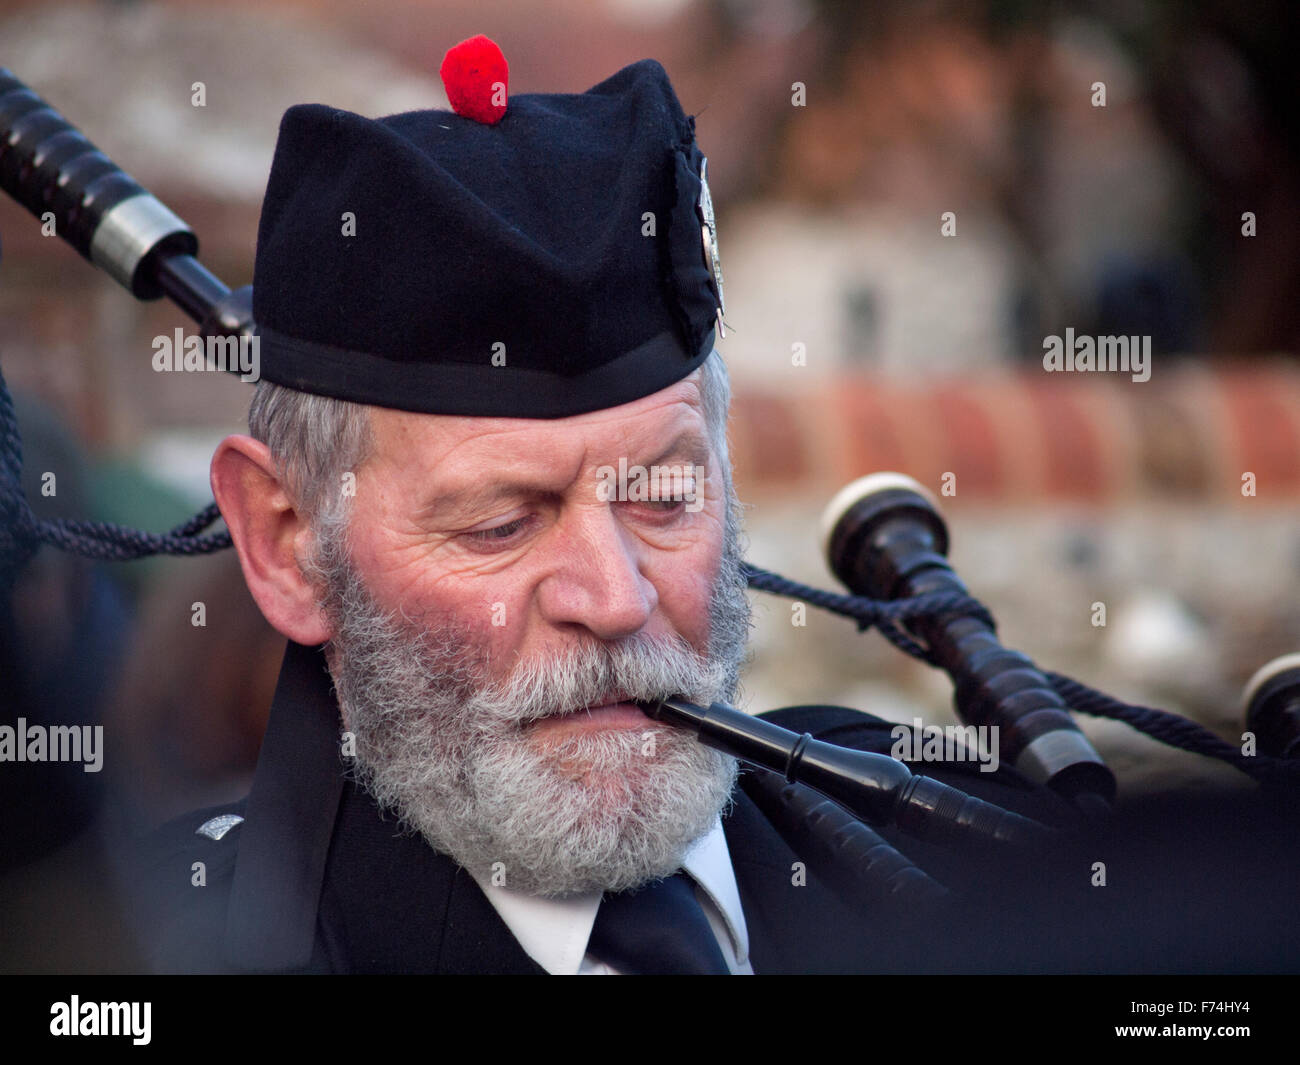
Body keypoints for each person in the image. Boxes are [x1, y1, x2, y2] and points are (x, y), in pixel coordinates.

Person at [130, 36, 1060, 975]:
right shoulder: (149, 954)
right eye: (500, 523)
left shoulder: (972, 852)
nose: (616, 598)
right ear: (289, 546)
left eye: (663, 494)